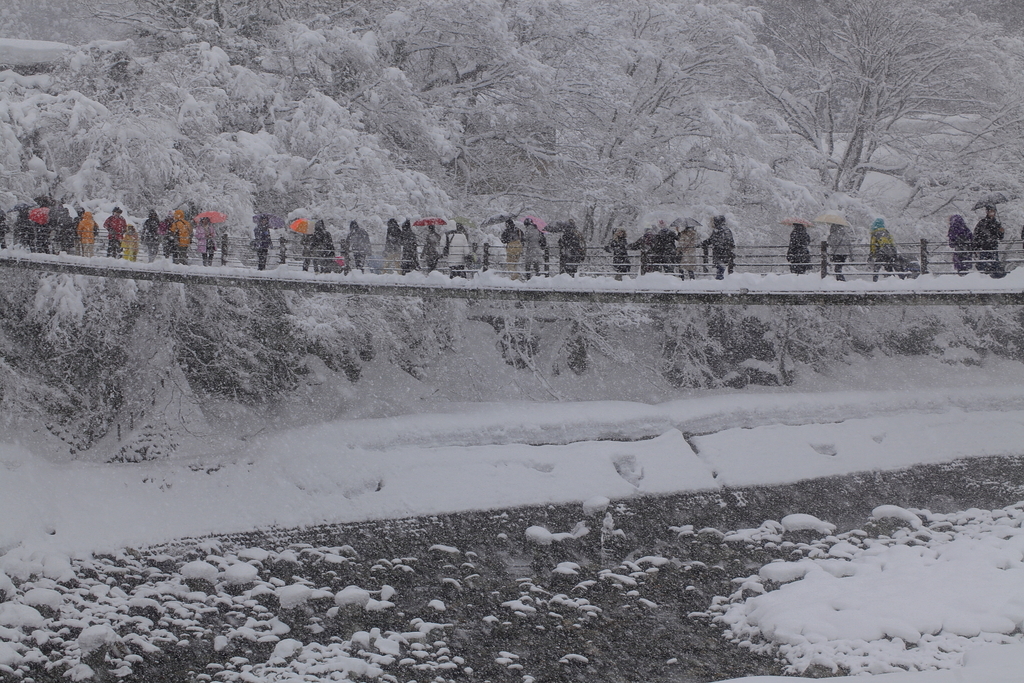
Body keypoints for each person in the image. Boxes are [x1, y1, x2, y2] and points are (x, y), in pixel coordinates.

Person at [973, 204, 1004, 277]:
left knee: (994, 264)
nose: (992, 213)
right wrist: (977, 247)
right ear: (987, 212)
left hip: (993, 247)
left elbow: (1000, 237)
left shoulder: (996, 223)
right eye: (991, 211)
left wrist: (1001, 232)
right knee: (984, 266)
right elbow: (977, 235)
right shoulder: (982, 223)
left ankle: (993, 277)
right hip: (984, 247)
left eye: (993, 212)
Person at [701, 215, 735, 280]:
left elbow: (712, 240)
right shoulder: (727, 230)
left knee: (720, 268)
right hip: (727, 253)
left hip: (718, 253)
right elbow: (731, 242)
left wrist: (704, 243)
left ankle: (719, 281)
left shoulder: (717, 230)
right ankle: (724, 280)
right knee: (725, 268)